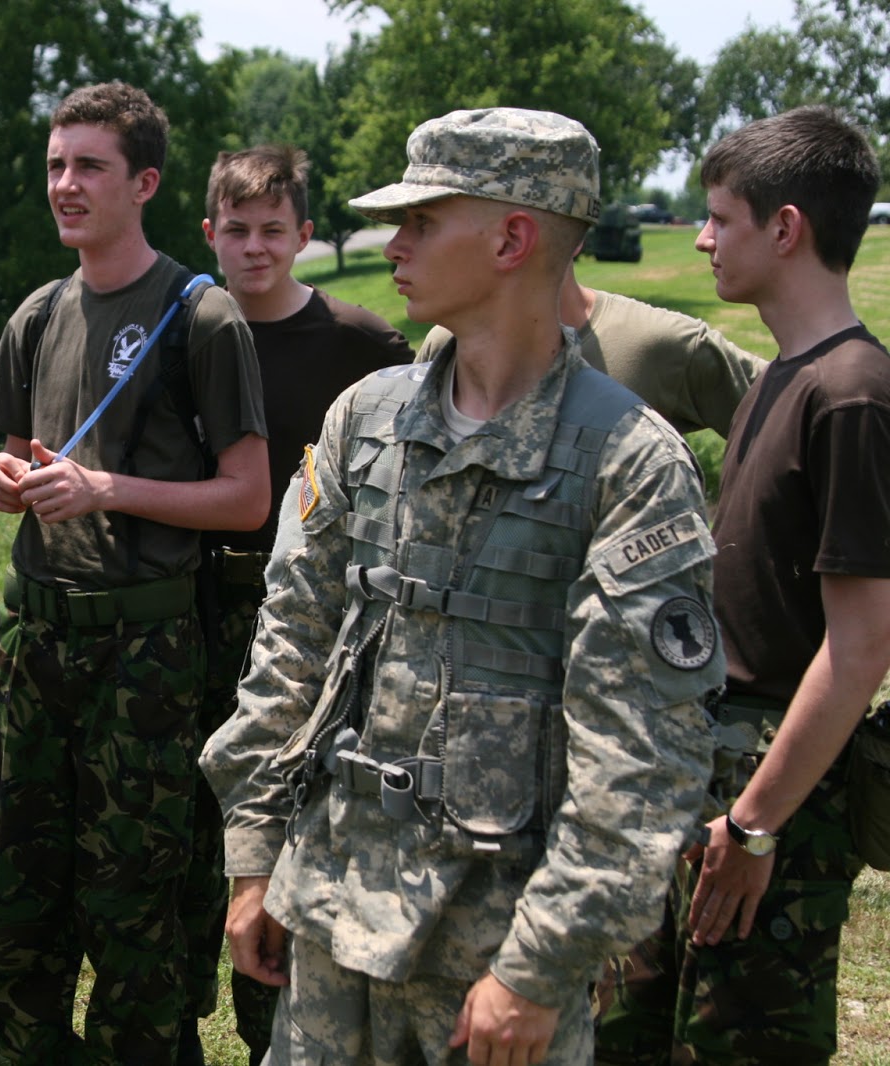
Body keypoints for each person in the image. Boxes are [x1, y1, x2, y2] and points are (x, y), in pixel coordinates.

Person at [200, 107, 722, 1064]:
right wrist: (255, 854)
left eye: (421, 221)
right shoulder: (366, 419)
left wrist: (540, 967)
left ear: (512, 239)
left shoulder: (629, 463)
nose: (394, 245)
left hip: (497, 950)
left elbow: (641, 759)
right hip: (328, 907)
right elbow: (291, 646)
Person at [0, 81, 271, 1065]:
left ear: (143, 183)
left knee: (133, 892)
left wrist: (107, 490)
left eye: (89, 166)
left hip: (143, 650)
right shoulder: (36, 313)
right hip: (34, 640)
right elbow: (16, 458)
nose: (65, 184)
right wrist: (5, 481)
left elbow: (247, 498)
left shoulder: (203, 317)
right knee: (26, 879)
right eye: (56, 165)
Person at [594, 105, 890, 1065]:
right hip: (702, 771)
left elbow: (861, 647)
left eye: (720, 218)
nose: (703, 238)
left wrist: (757, 827)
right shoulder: (779, 379)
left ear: (786, 228)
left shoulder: (851, 395)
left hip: (773, 796)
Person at [184, 143, 412, 1066]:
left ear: (305, 235)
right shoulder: (186, 330)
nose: (255, 248)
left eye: (274, 230)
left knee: (285, 810)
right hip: (192, 608)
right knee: (192, 817)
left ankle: (266, 1026)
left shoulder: (361, 343)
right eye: (237, 230)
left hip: (312, 619)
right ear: (210, 234)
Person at [414, 263, 765, 438]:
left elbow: (791, 422)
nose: (396, 248)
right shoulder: (447, 346)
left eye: (428, 224)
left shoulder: (656, 344)